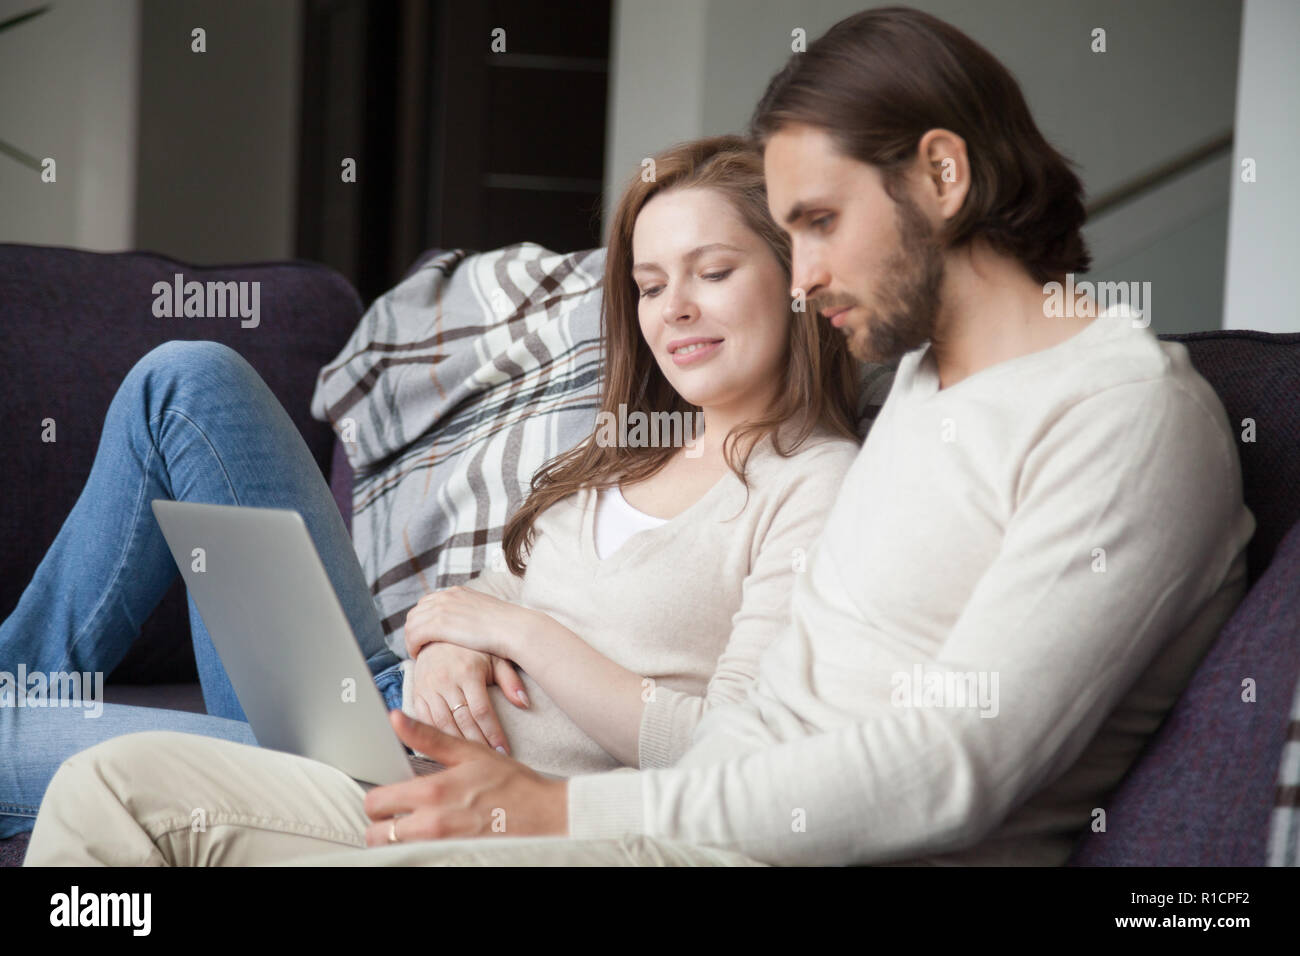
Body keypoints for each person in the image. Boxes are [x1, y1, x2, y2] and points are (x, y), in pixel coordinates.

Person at [26, 6, 1253, 868]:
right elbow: (756, 712)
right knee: (106, 784)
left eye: (814, 226)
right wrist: (475, 659)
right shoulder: (929, 378)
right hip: (644, 808)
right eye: (789, 232)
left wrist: (553, 806)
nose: (810, 271)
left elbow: (954, 768)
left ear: (941, 173)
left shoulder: (1127, 416)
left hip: (715, 844)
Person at [2, 135, 862, 842]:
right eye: (648, 285)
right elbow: (478, 599)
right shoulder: (632, 447)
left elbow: (734, 757)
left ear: (796, 281)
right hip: (374, 701)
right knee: (184, 383)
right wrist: (447, 643)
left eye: (711, 273)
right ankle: (24, 675)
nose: (673, 308)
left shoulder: (813, 486)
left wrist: (516, 632)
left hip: (421, 784)